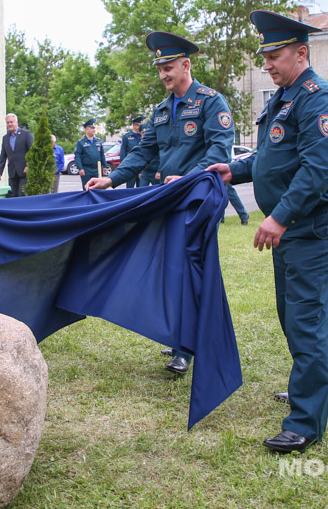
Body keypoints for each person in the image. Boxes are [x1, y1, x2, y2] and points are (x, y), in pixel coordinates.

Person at [207, 10, 328, 454]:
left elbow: (317, 169)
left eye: (275, 54)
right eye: (265, 55)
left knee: (305, 319)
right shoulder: (285, 98)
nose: (267, 63)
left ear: (301, 53)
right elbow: (272, 158)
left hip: (312, 225)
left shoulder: (320, 99)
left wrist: (279, 216)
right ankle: (325, 387)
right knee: (294, 315)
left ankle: (306, 421)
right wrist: (235, 169)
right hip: (292, 227)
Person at [86, 31, 235, 374]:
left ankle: (186, 346)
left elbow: (218, 152)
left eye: (169, 67)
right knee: (171, 269)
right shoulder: (161, 110)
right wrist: (111, 178)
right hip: (168, 199)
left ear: (186, 65)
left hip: (196, 198)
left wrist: (188, 177)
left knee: (189, 268)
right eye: (160, 69)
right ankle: (180, 336)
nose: (164, 74)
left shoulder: (211, 102)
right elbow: (144, 151)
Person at [0, 113, 33, 197]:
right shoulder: (5, 138)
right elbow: (3, 155)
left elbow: (32, 151)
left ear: (16, 122)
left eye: (11, 122)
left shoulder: (26, 134)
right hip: (12, 172)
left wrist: (29, 165)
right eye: (8, 122)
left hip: (25, 172)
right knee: (14, 196)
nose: (9, 124)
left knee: (22, 195)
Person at [73, 119, 107, 189]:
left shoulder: (98, 141)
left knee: (97, 189)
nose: (93, 130)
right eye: (91, 128)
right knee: (87, 189)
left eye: (94, 128)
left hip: (97, 169)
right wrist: (80, 168)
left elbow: (101, 154)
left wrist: (105, 166)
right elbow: (77, 156)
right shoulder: (81, 142)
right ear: (86, 129)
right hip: (86, 170)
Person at [119, 117, 144, 188]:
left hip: (140, 166)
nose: (140, 127)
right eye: (138, 125)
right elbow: (123, 151)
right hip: (130, 165)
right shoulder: (127, 136)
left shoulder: (143, 136)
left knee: (141, 188)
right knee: (130, 187)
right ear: (134, 125)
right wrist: (123, 165)